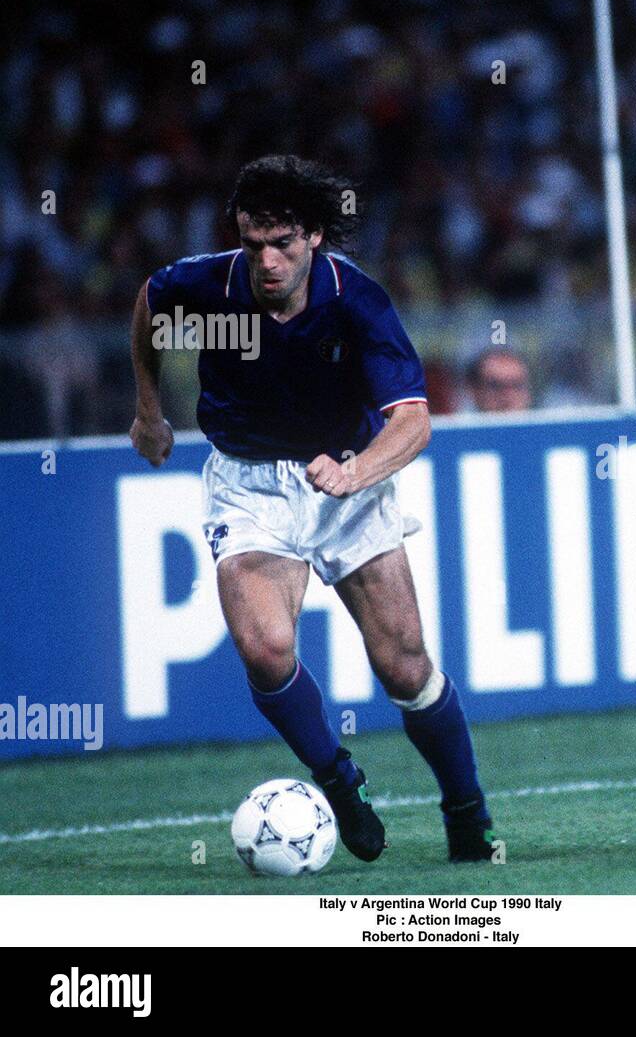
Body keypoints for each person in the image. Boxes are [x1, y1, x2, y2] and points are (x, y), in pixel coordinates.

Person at [129, 155, 495, 863]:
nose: (267, 260)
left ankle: (466, 807)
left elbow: (414, 419)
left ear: (316, 237)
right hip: (248, 484)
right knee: (265, 650)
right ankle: (339, 778)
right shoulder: (207, 285)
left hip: (349, 485)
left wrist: (357, 471)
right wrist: (148, 409)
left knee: (405, 667)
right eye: (253, 241)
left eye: (284, 244)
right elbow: (149, 305)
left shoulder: (355, 301)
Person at [466, 347, 532, 412]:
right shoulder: (460, 421)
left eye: (516, 385)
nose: (508, 395)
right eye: (497, 386)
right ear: (476, 392)